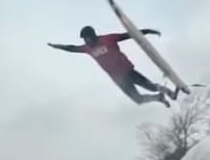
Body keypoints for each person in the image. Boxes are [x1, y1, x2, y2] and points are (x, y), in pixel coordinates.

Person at [48, 25, 179, 107]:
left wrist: (148, 31)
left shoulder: (108, 39)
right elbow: (72, 48)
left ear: (93, 35)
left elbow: (129, 34)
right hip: (119, 79)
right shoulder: (87, 48)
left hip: (128, 71)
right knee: (138, 100)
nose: (86, 41)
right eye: (84, 39)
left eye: (87, 38)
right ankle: (159, 98)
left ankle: (168, 92)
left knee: (151, 87)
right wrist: (57, 46)